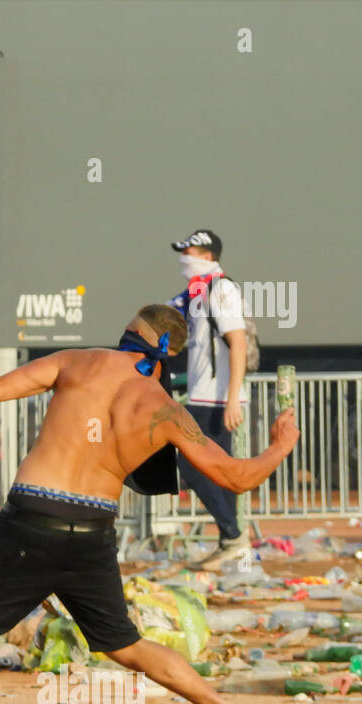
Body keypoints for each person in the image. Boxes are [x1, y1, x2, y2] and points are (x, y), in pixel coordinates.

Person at [0, 304, 300, 704]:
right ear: (169, 355)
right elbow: (235, 477)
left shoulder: (79, 361)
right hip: (91, 534)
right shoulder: (165, 410)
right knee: (125, 644)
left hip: (30, 519)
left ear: (129, 331)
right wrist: (280, 446)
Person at [167, 229, 250, 569]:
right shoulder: (198, 292)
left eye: (190, 253)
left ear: (207, 256)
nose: (184, 259)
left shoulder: (221, 289)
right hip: (203, 395)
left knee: (192, 464)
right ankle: (231, 543)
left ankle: (234, 537)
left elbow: (238, 343)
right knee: (216, 470)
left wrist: (232, 400)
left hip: (215, 399)